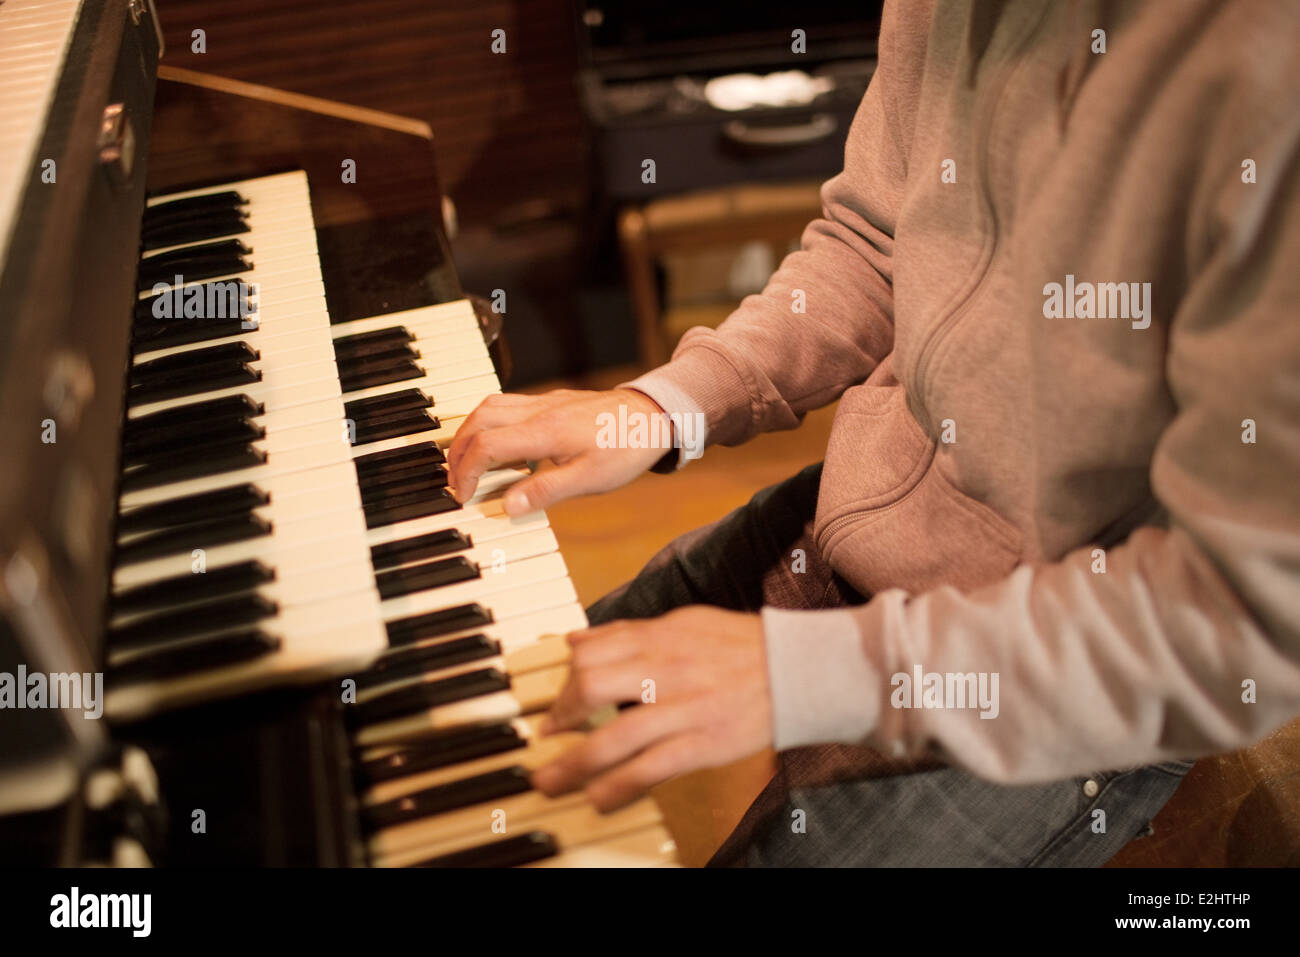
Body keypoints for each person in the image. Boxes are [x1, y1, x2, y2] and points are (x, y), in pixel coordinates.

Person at [446, 0, 1300, 866]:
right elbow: (876, 239)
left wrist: (810, 674)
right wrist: (672, 402)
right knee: (502, 712)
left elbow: (1240, 623)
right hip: (888, 498)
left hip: (1090, 636)